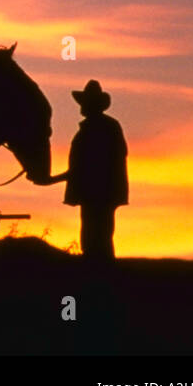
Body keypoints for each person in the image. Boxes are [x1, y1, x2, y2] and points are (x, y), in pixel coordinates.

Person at [48, 80, 128, 262]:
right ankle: (101, 271)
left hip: (97, 192)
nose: (81, 107)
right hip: (102, 192)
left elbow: (83, 168)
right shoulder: (106, 127)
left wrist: (52, 180)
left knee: (95, 236)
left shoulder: (96, 129)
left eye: (84, 103)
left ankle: (98, 273)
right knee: (99, 235)